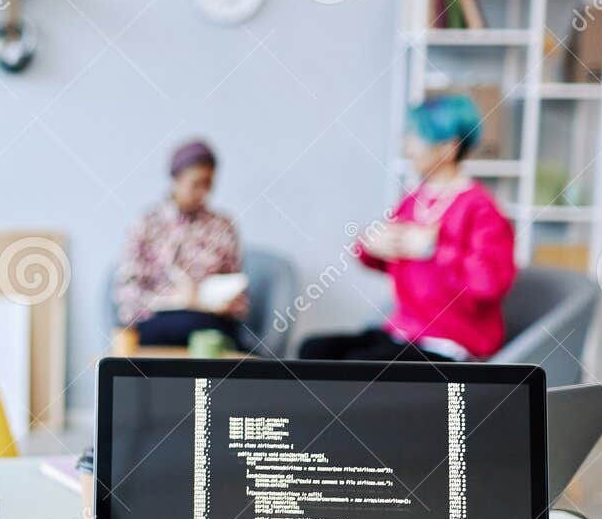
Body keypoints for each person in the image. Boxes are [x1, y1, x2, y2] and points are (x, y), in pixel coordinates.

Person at [299, 96, 516, 362]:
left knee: (359, 366)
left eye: (418, 138)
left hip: (448, 343)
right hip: (403, 333)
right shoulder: (415, 200)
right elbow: (383, 258)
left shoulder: (482, 209)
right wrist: (370, 245)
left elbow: (487, 286)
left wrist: (435, 250)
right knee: (313, 350)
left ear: (448, 148)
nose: (408, 147)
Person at [113, 139, 249, 347]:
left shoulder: (223, 226)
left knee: (211, 332)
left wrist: (228, 305)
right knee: (188, 325)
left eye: (208, 184)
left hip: (212, 322)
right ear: (176, 179)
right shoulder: (147, 224)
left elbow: (238, 293)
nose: (203, 193)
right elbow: (126, 295)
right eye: (196, 184)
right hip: (158, 321)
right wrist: (179, 299)